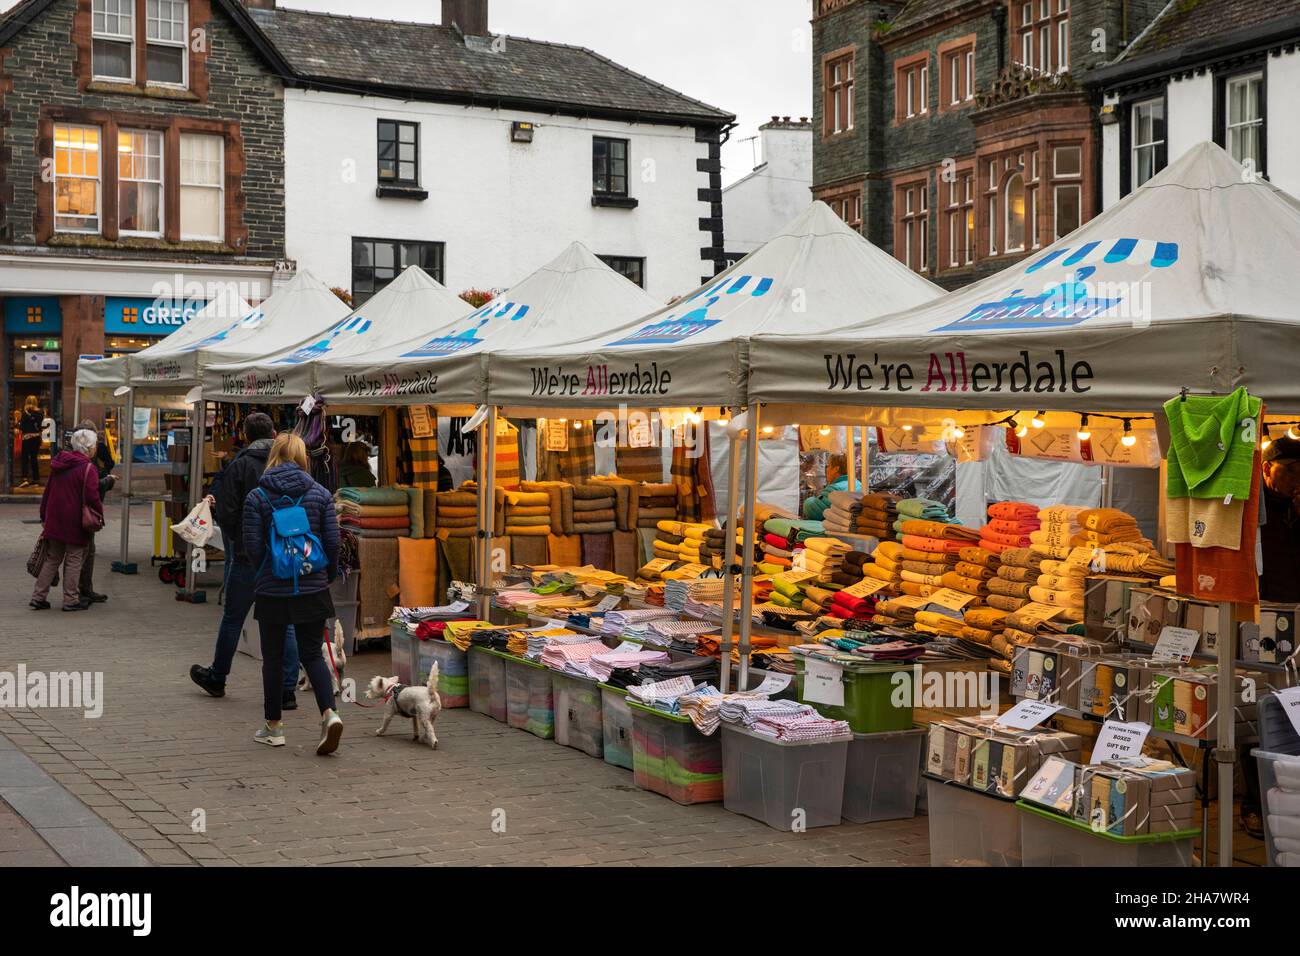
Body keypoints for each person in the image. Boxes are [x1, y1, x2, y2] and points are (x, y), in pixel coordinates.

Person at [190, 414, 301, 708]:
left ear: (244, 435)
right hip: (281, 554)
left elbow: (226, 513)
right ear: (274, 433)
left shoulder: (240, 465)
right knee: (284, 621)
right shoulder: (286, 464)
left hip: (246, 557)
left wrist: (239, 540)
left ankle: (218, 677)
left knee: (233, 618)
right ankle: (287, 689)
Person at [241, 432, 343, 754]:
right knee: (311, 653)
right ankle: (329, 714)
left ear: (273, 455)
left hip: (272, 590)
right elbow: (333, 542)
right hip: (312, 587)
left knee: (272, 658)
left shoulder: (257, 497)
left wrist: (266, 573)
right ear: (302, 456)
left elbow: (253, 547)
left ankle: (274, 727)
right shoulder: (322, 494)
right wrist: (323, 575)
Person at [1238, 434, 1300, 838]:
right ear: (1267, 468)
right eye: (1290, 470)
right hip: (1261, 620)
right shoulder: (1252, 508)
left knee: (1294, 713)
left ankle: (1289, 799)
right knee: (1257, 710)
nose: (1297, 479)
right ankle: (1254, 803)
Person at [30, 429, 103, 612]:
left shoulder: (59, 463)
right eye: (94, 446)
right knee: (74, 558)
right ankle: (70, 599)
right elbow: (92, 497)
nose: (95, 449)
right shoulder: (88, 468)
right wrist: (99, 515)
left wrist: (43, 515)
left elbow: (48, 491)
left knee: (52, 558)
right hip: (75, 521)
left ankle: (38, 597)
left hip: (55, 517)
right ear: (89, 448)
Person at [75, 419, 117, 605]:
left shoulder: (68, 457)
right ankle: (78, 592)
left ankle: (79, 589)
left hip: (74, 506)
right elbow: (91, 491)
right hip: (85, 506)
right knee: (84, 550)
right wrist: (106, 479)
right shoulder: (85, 465)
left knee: (78, 550)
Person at [18, 396, 44, 487]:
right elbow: (41, 426)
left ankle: (25, 479)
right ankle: (36, 480)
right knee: (34, 458)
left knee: (25, 458)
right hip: (36, 438)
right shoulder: (41, 412)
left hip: (27, 438)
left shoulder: (25, 413)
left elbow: (21, 428)